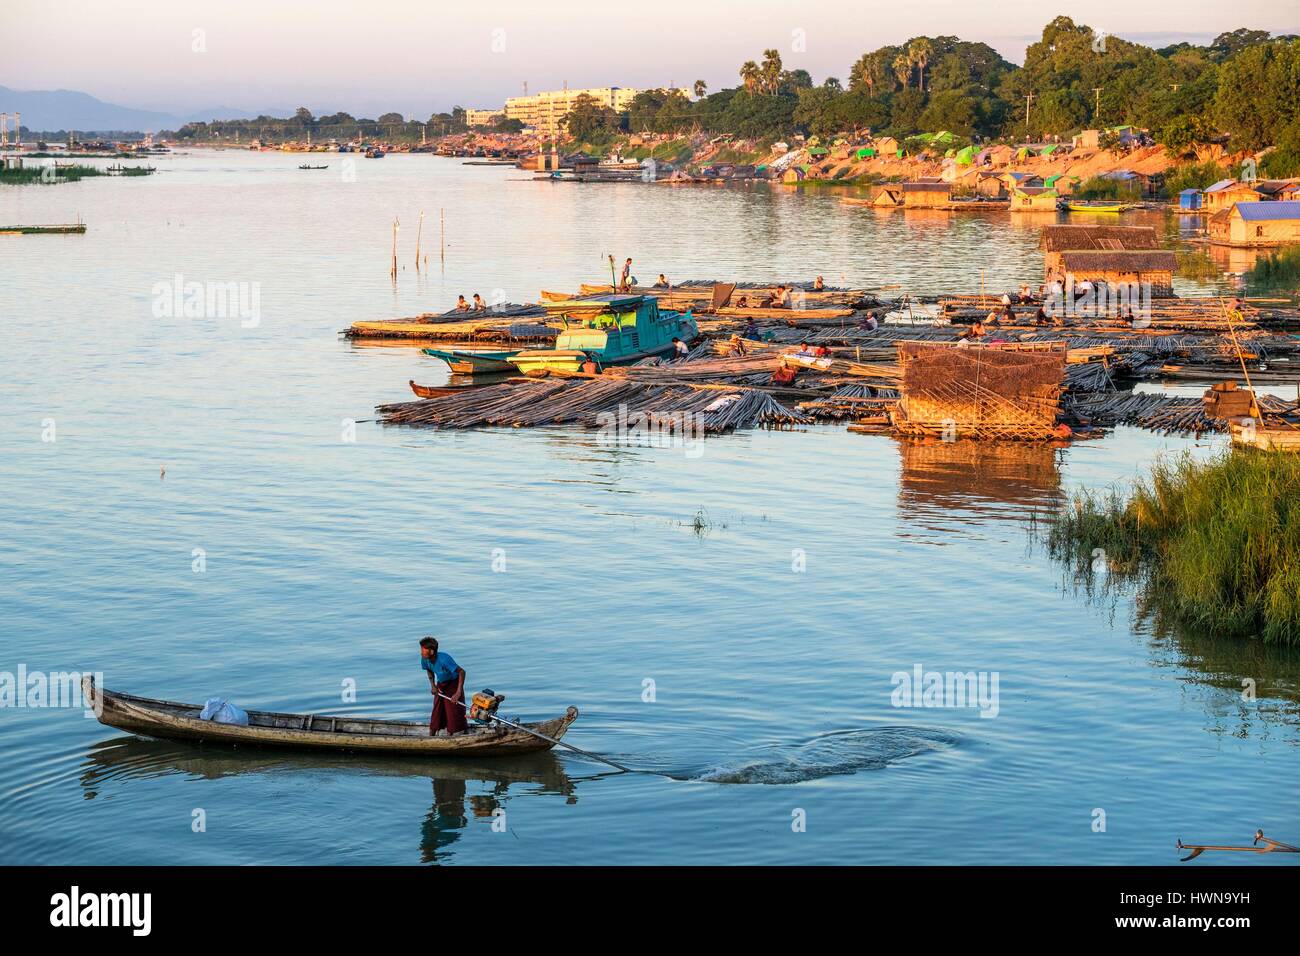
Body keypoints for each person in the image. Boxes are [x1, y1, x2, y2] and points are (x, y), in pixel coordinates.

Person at [420, 637, 466, 737]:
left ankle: (451, 736)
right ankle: (431, 736)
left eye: (423, 649)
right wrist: (433, 686)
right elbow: (429, 670)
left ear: (431, 651)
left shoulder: (444, 659)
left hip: (454, 683)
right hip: (441, 684)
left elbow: (462, 672)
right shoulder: (424, 659)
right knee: (437, 710)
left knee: (452, 711)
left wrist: (458, 692)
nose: (421, 652)